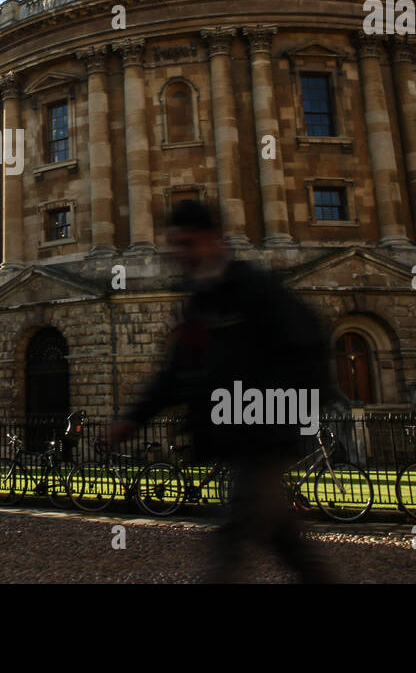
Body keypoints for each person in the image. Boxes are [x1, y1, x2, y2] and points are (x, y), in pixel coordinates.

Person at [109, 199, 340, 583]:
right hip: (236, 438)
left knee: (231, 538)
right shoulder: (200, 301)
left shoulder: (255, 289)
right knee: (285, 540)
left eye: (187, 244)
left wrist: (277, 416)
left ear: (214, 240)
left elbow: (308, 351)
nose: (179, 255)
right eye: (174, 245)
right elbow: (176, 372)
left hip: (265, 435)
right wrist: (133, 419)